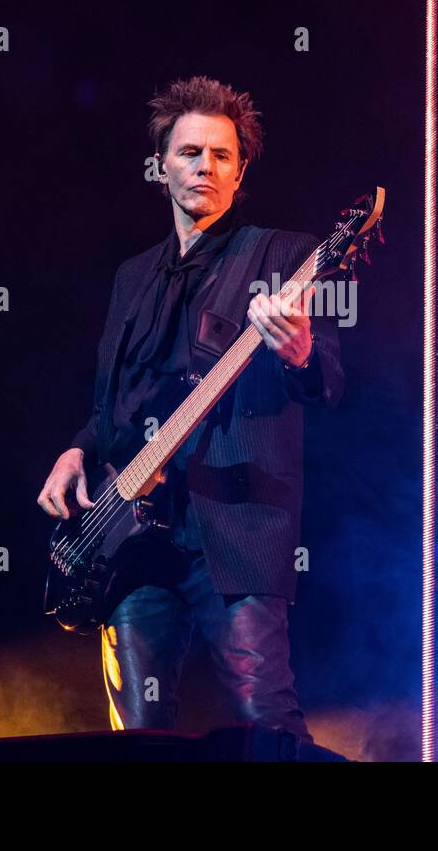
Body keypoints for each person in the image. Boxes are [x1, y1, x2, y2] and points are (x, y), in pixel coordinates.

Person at [37, 76, 343, 742]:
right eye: (190, 151)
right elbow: (112, 404)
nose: (205, 165)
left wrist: (300, 352)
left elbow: (332, 377)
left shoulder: (283, 255)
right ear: (161, 166)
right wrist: (76, 450)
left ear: (240, 172)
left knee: (268, 722)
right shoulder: (131, 276)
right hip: (129, 541)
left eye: (222, 155)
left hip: (233, 529)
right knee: (137, 735)